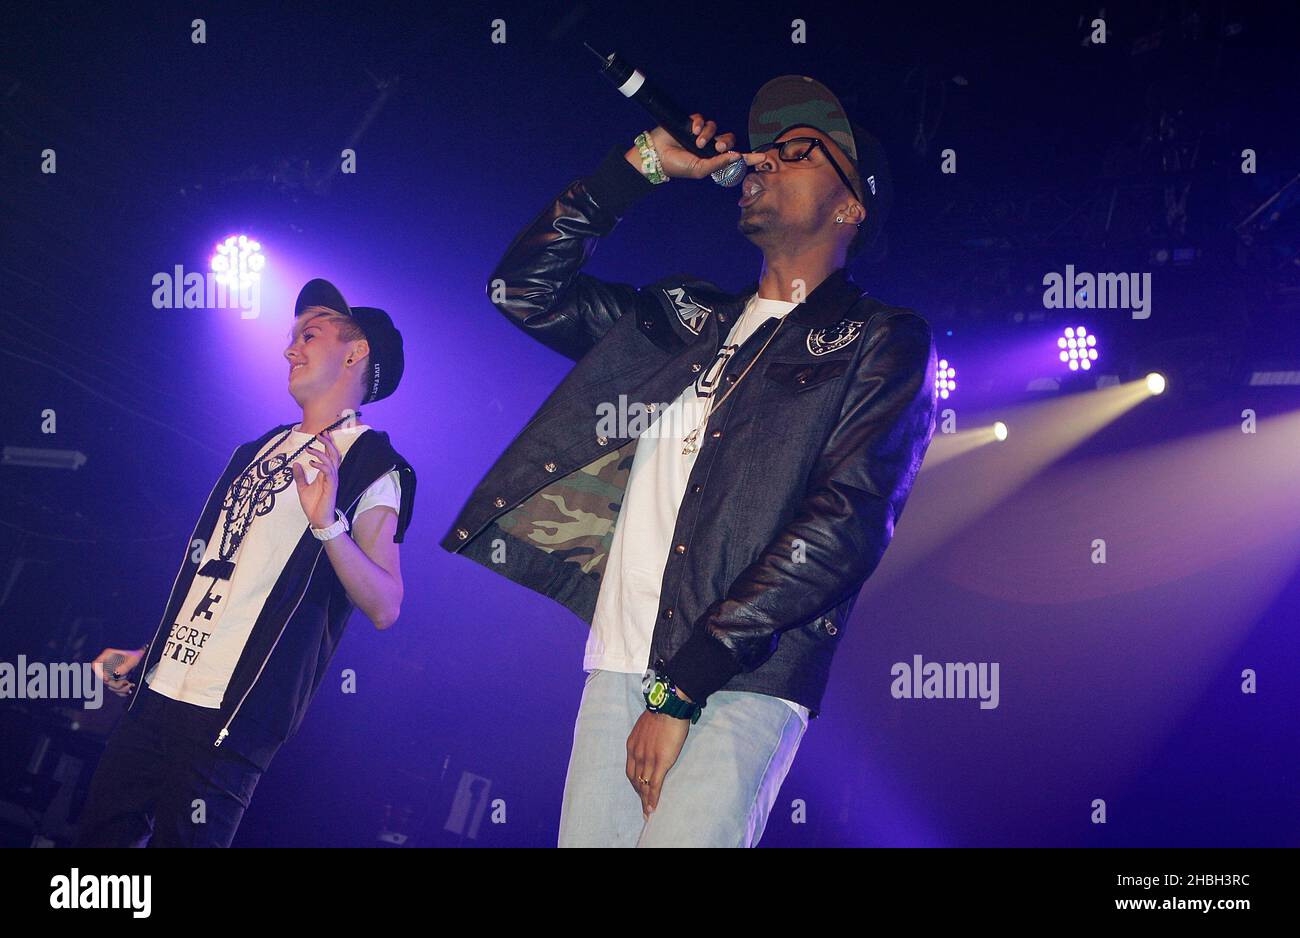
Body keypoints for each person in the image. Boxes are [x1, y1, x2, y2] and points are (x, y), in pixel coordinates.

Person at [441, 75, 936, 846]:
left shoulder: (879, 340)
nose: (767, 160)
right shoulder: (688, 317)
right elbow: (522, 291)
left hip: (738, 677)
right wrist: (637, 167)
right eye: (768, 149)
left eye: (800, 153)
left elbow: (847, 524)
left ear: (850, 208)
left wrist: (684, 688)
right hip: (621, 661)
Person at [75, 279, 416, 847]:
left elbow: (386, 605)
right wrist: (151, 653)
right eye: (292, 338)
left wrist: (327, 520)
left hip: (229, 716)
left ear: (356, 352)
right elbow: (220, 573)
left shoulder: (372, 464)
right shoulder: (255, 448)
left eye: (310, 335)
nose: (290, 349)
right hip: (161, 689)